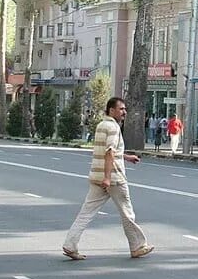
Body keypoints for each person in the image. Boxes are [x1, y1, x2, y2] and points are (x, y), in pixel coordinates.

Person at [62, 97, 154, 260]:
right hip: (113, 178)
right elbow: (109, 152)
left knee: (86, 213)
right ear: (111, 110)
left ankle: (70, 244)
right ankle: (137, 246)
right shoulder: (113, 127)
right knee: (127, 213)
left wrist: (126, 157)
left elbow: (111, 151)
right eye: (121, 109)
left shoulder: (101, 125)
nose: (124, 112)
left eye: (125, 109)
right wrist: (107, 177)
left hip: (96, 176)